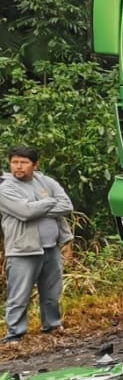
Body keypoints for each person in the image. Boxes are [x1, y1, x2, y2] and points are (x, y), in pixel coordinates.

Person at [1, 145, 75, 343]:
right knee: (19, 295)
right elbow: (25, 212)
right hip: (23, 250)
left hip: (50, 247)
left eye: (24, 162)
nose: (18, 166)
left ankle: (52, 326)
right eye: (14, 162)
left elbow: (66, 206)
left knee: (52, 292)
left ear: (35, 165)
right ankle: (14, 335)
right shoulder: (5, 188)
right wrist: (50, 202)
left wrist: (37, 208)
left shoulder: (45, 181)